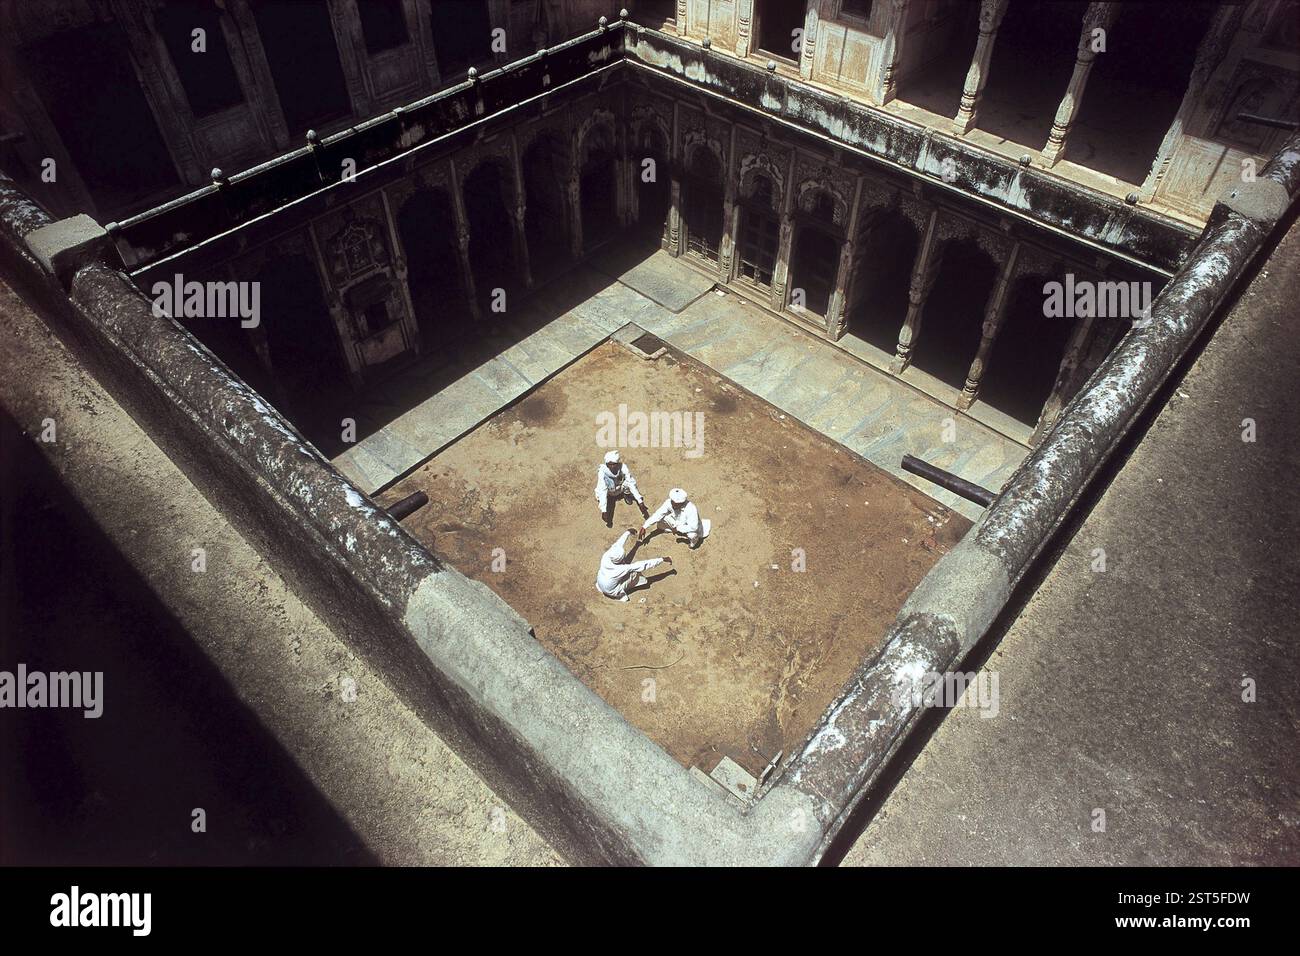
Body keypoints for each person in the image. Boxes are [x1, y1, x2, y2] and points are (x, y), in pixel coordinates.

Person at [596, 528, 672, 602]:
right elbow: (643, 565)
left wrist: (627, 533)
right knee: (634, 573)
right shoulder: (620, 569)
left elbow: (618, 544)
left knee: (626, 568)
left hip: (600, 584)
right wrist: (662, 559)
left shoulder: (606, 556)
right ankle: (642, 582)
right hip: (611, 591)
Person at [641, 487, 711, 549]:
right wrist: (645, 526)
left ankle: (693, 544)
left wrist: (677, 528)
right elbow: (658, 514)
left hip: (687, 525)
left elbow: (693, 527)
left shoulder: (691, 509)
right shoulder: (669, 502)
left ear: (682, 503)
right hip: (676, 520)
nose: (673, 505)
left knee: (692, 535)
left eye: (676, 504)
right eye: (672, 502)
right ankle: (666, 529)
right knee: (661, 518)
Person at [594, 450, 648, 527]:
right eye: (610, 464)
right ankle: (607, 506)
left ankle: (626, 495)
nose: (612, 466)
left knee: (628, 482)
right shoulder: (602, 472)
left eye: (614, 464)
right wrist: (603, 510)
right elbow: (603, 490)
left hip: (619, 488)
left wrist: (640, 501)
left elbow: (631, 483)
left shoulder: (623, 467)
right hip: (609, 491)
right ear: (607, 464)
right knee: (600, 493)